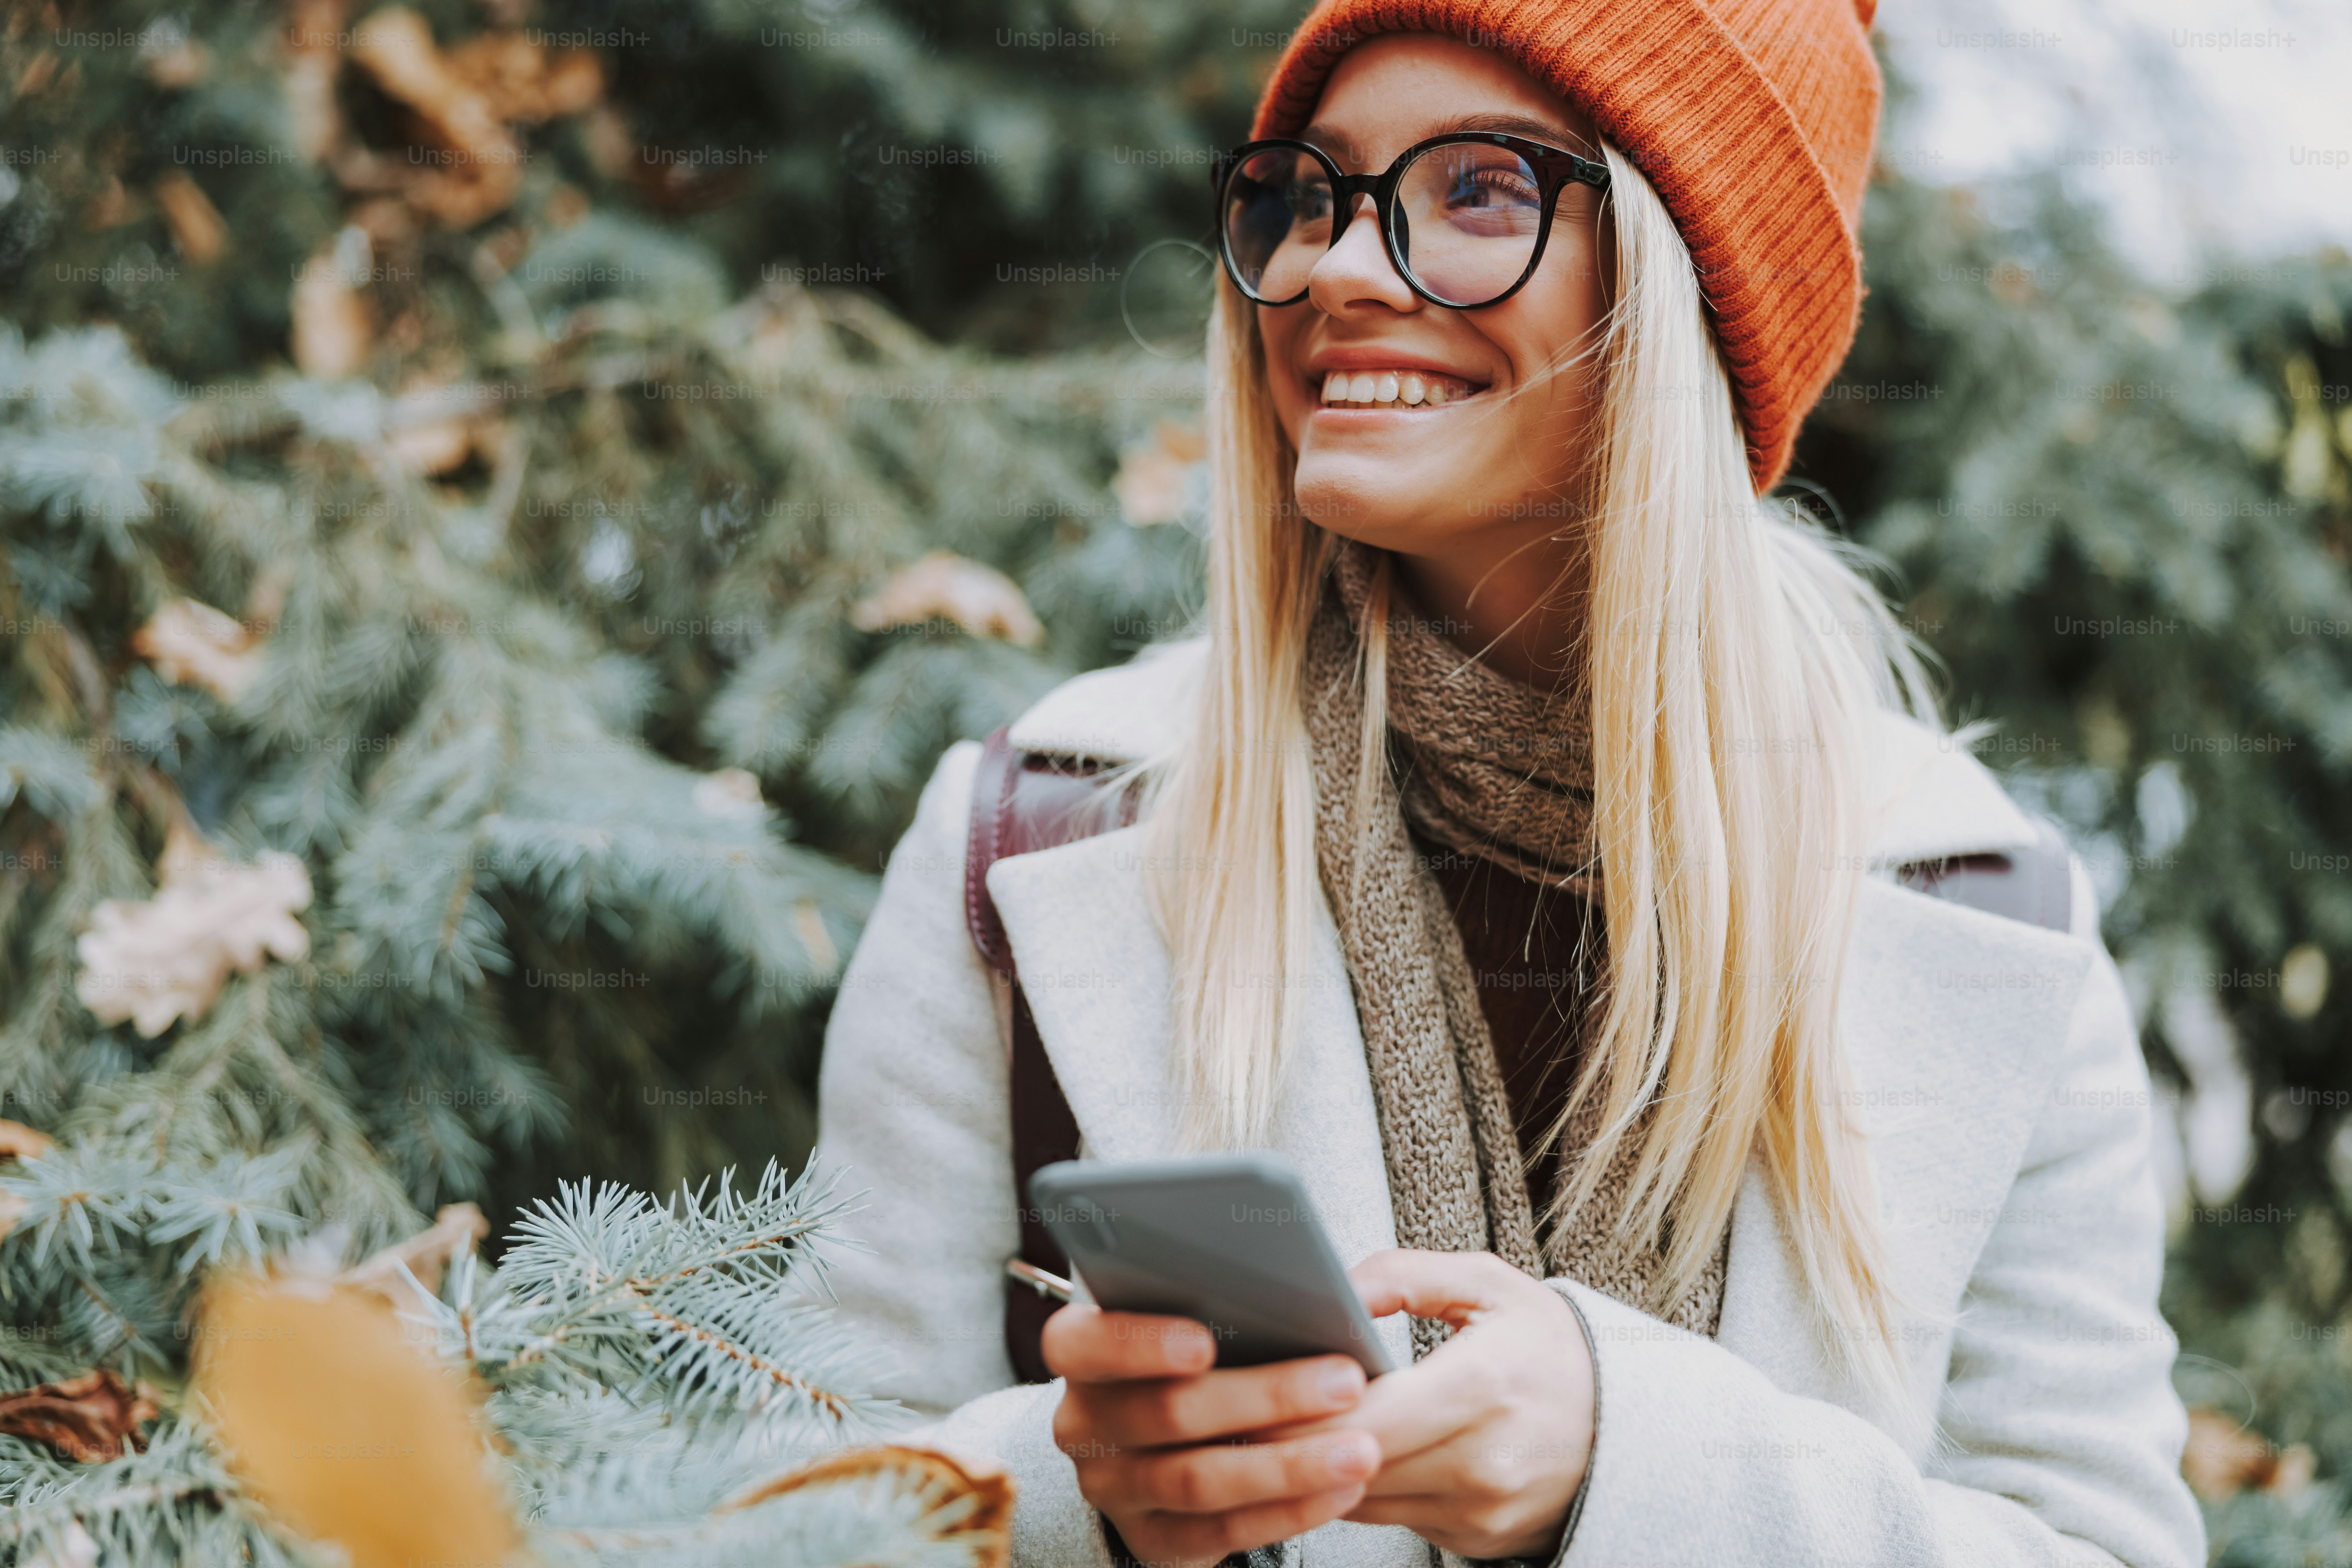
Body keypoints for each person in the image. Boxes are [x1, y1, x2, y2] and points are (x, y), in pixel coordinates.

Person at [813, 1, 2204, 1564]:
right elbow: (782, 1499)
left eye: (1480, 188)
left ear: (1687, 294)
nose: (1339, 268)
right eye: (1310, 195)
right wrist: (1095, 1497)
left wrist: (1631, 1464)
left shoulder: (1978, 909)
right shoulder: (1033, 835)